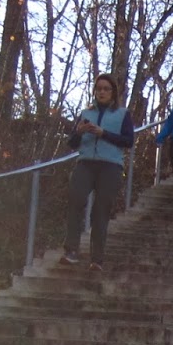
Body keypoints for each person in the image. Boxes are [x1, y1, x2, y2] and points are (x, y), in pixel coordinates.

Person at [61, 72, 135, 269]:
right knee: (75, 201)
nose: (102, 92)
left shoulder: (123, 114)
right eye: (99, 89)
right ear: (94, 91)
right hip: (85, 163)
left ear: (113, 92)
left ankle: (97, 258)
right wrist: (79, 132)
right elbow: (72, 143)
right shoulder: (86, 113)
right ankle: (71, 250)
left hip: (110, 166)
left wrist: (104, 133)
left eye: (106, 89)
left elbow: (129, 141)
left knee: (101, 210)